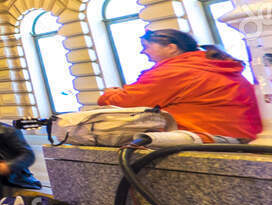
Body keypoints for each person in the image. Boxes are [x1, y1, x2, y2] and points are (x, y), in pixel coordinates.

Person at [97, 28, 261, 141]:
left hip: (207, 138)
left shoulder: (176, 71)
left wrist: (109, 94)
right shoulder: (213, 65)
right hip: (242, 136)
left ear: (171, 48)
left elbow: (124, 102)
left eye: (147, 47)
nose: (143, 52)